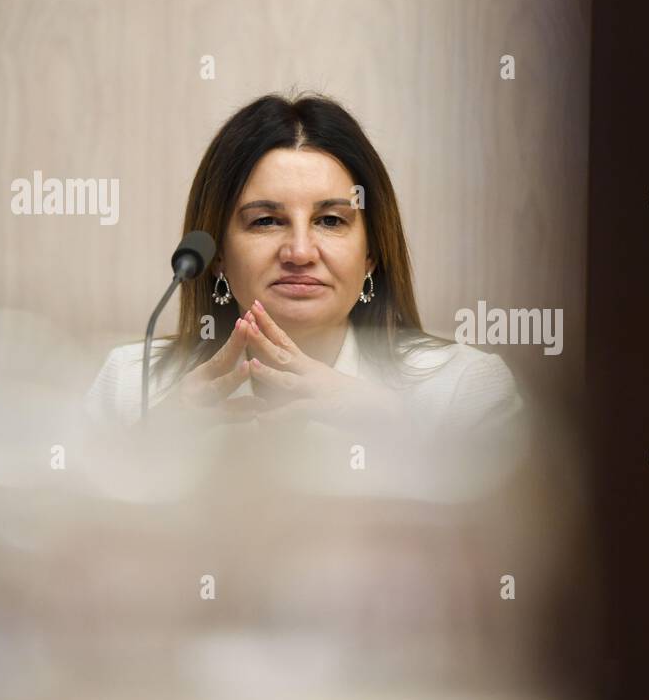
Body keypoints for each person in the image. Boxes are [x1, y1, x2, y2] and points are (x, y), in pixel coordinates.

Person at [84, 91, 523, 446]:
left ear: (371, 254)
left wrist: (396, 430)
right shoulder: (128, 384)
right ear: (217, 256)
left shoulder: (463, 390)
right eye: (266, 221)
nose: (298, 251)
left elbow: (510, 549)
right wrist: (145, 452)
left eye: (330, 220)